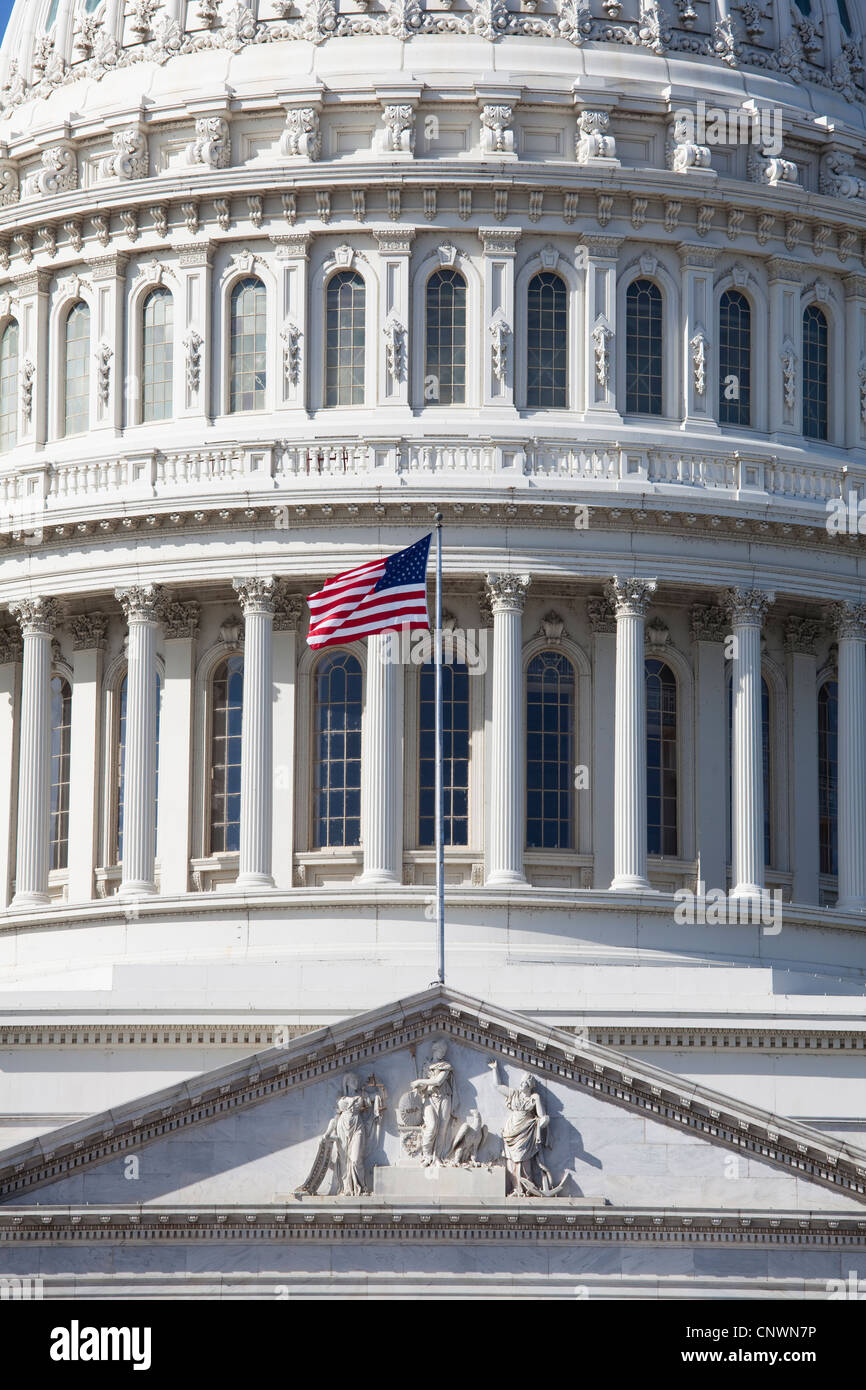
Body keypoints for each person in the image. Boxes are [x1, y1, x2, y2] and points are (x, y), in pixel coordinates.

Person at [410, 1042, 455, 1166]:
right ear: (434, 1050)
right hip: (430, 1098)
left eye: (444, 1051)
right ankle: (426, 1155)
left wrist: (419, 1081)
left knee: (442, 1128)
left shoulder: (446, 1066)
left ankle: (437, 1157)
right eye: (441, 1050)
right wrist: (419, 1086)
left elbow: (438, 1081)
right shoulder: (426, 1065)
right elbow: (425, 1086)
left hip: (444, 1098)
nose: (443, 1053)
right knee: (431, 1126)